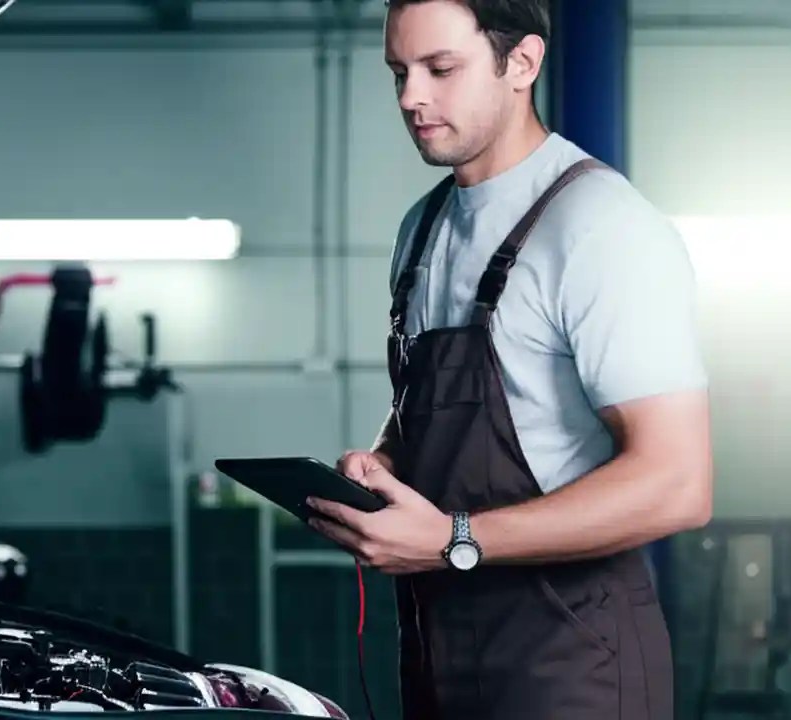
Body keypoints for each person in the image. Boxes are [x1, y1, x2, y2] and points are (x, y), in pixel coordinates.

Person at [303, 1, 713, 718]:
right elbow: (434, 411)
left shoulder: (601, 228)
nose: (410, 97)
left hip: (572, 657)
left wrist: (452, 540)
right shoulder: (422, 229)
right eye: (399, 71)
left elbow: (677, 483)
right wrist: (383, 465)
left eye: (441, 69)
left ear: (521, 62)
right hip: (437, 646)